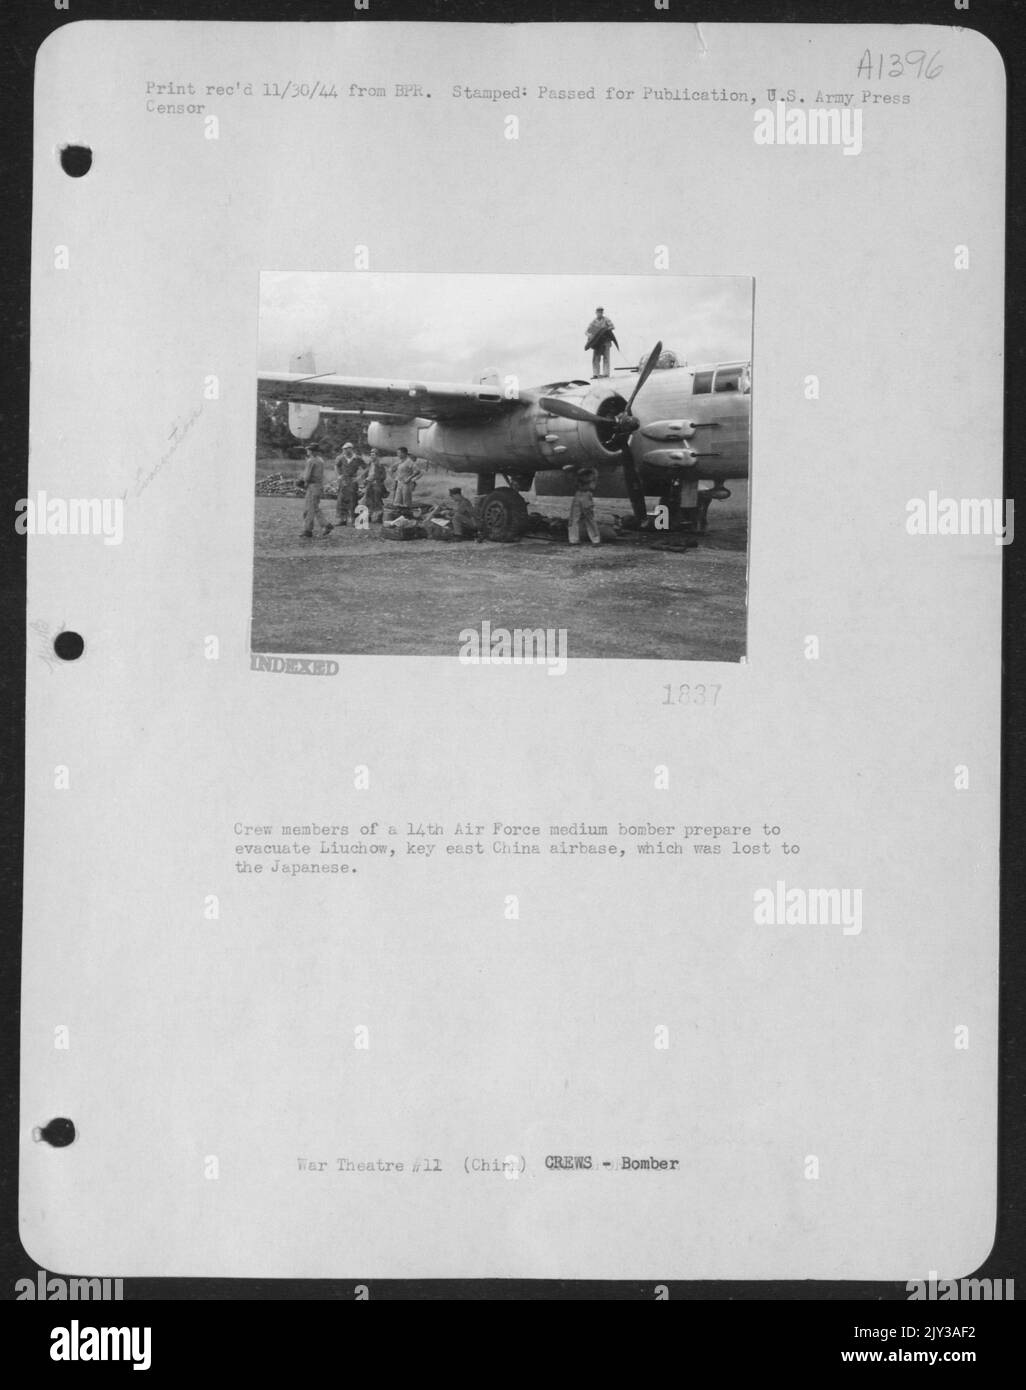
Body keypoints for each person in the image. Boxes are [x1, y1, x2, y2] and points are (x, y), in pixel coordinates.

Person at [299, 445, 334, 539]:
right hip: (318, 486)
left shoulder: (311, 461)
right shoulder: (320, 460)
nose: (307, 450)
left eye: (309, 449)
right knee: (313, 507)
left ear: (313, 451)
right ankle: (325, 525)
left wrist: (302, 482)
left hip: (312, 486)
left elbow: (307, 476)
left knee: (310, 508)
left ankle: (308, 530)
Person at [567, 467, 601, 546]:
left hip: (586, 494)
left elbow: (590, 481)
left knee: (589, 518)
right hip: (579, 493)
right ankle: (573, 540)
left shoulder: (592, 472)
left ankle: (596, 540)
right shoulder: (588, 472)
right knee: (574, 518)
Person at [585, 306, 617, 378]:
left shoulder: (606, 319)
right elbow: (587, 331)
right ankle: (596, 374)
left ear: (602, 313)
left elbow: (612, 326)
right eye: (598, 312)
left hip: (606, 341)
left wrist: (605, 329)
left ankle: (606, 374)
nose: (600, 313)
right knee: (596, 358)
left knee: (606, 357)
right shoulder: (593, 321)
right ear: (596, 313)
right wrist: (591, 335)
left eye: (601, 312)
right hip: (597, 343)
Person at [334, 444, 360, 526]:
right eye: (343, 449)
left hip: (352, 481)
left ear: (351, 449)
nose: (344, 451)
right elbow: (336, 466)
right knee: (341, 500)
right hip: (344, 480)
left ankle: (354, 520)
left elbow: (366, 467)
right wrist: (339, 475)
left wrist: (359, 477)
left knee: (353, 500)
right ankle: (342, 520)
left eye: (346, 449)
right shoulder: (341, 458)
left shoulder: (357, 458)